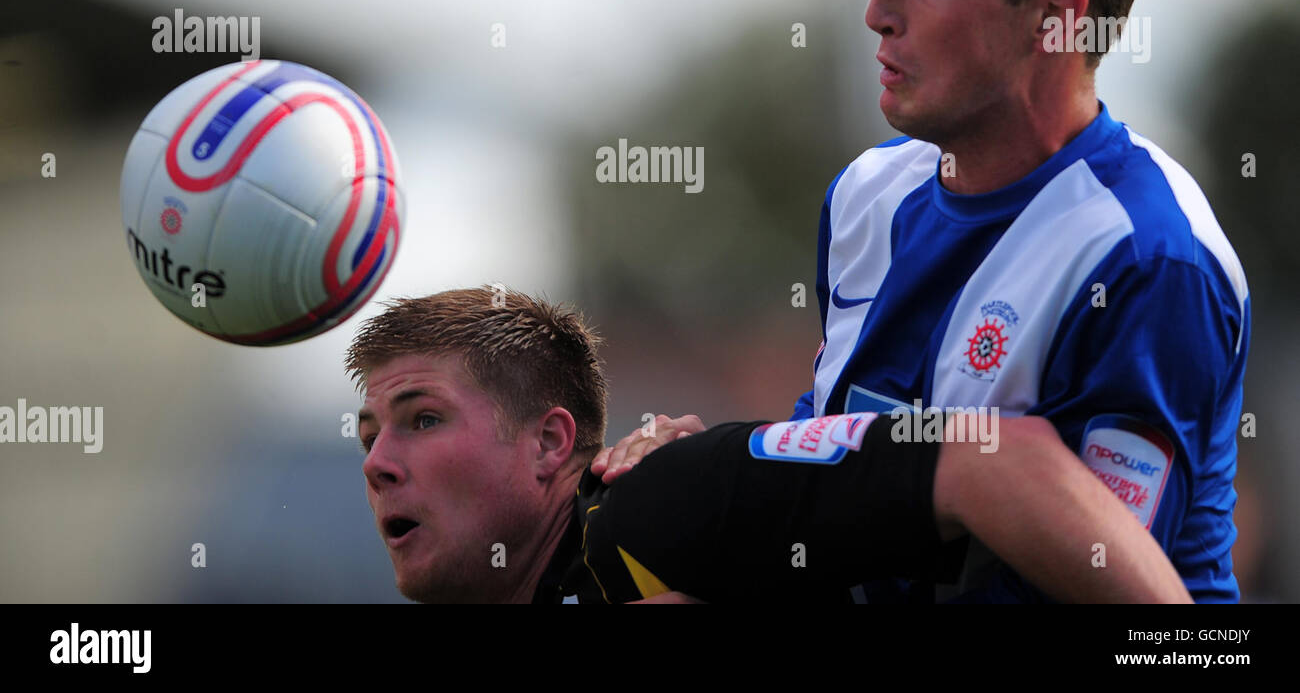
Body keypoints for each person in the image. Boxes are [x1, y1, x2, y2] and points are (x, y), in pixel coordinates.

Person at [596, 0, 1250, 603]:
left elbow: (1100, 591)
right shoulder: (867, 196)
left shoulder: (1147, 257)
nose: (876, 10)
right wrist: (731, 484)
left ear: (1058, 18)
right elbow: (846, 496)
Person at [348, 286, 1189, 603]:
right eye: (368, 432)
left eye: (422, 418)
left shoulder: (654, 503)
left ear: (549, 443)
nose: (379, 461)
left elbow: (1000, 455)